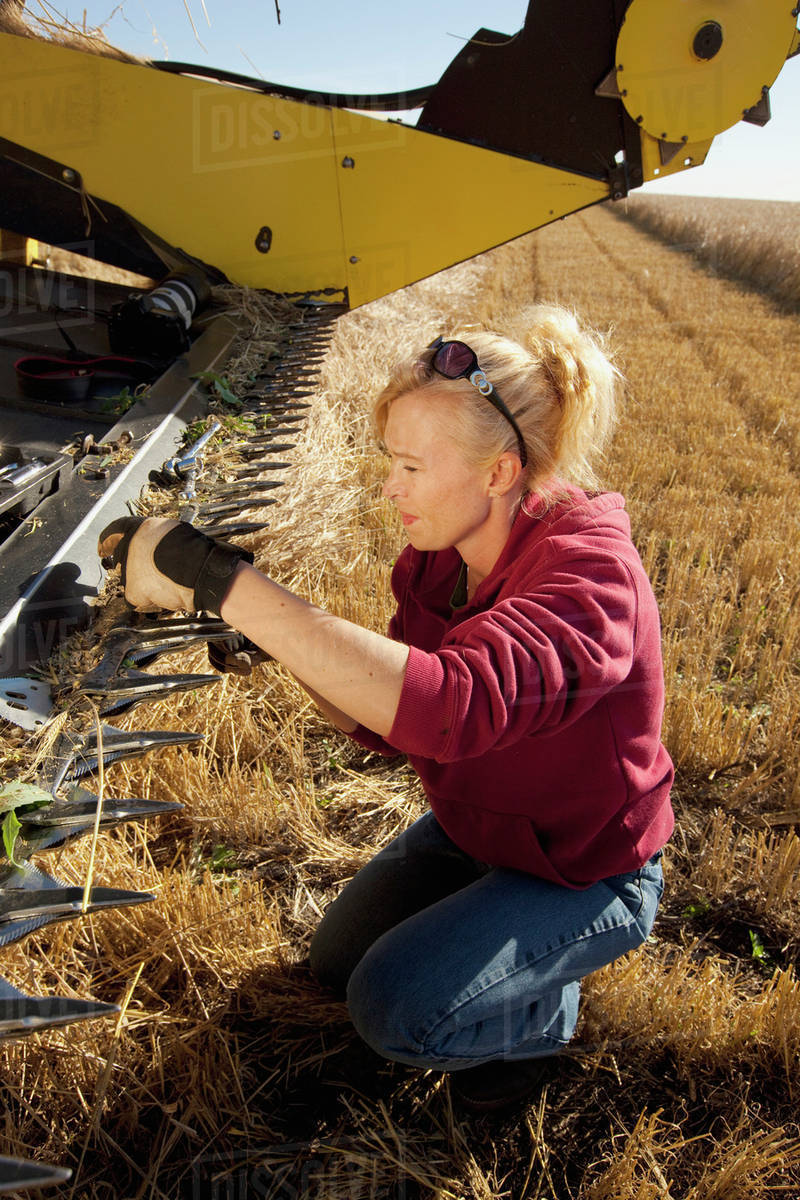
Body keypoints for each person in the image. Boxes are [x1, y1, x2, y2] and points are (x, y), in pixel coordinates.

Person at [98, 303, 673, 1111]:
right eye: (388, 460)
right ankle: (494, 949)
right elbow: (388, 728)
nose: (389, 487)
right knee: (336, 965)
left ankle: (545, 1015)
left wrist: (222, 581)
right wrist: (282, 645)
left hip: (584, 868)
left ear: (499, 471)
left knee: (397, 1012)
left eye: (410, 466)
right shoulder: (435, 565)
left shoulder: (590, 574)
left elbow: (454, 708)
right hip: (476, 829)